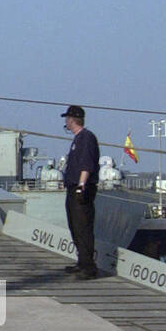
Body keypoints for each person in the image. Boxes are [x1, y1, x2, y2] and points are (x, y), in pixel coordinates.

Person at [60, 105, 100, 279]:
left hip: (81, 188)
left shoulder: (86, 138)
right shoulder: (78, 139)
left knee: (82, 227)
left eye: (67, 119)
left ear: (71, 119)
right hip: (73, 187)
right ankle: (81, 262)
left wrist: (81, 186)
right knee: (75, 226)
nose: (65, 122)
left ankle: (88, 267)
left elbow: (86, 164)